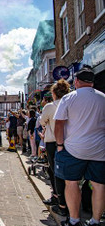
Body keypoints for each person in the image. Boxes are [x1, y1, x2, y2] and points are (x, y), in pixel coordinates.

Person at [54, 66, 105, 226]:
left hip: (74, 149)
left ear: (76, 81)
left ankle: (75, 221)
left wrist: (60, 145)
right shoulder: (103, 98)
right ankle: (96, 222)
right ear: (92, 82)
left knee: (72, 183)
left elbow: (59, 124)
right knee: (99, 185)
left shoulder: (69, 98)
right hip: (99, 150)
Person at [40, 79, 70, 217]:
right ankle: (64, 200)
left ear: (53, 93)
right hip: (70, 142)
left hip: (53, 142)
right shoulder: (71, 103)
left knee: (54, 172)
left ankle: (59, 200)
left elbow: (42, 121)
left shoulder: (50, 106)